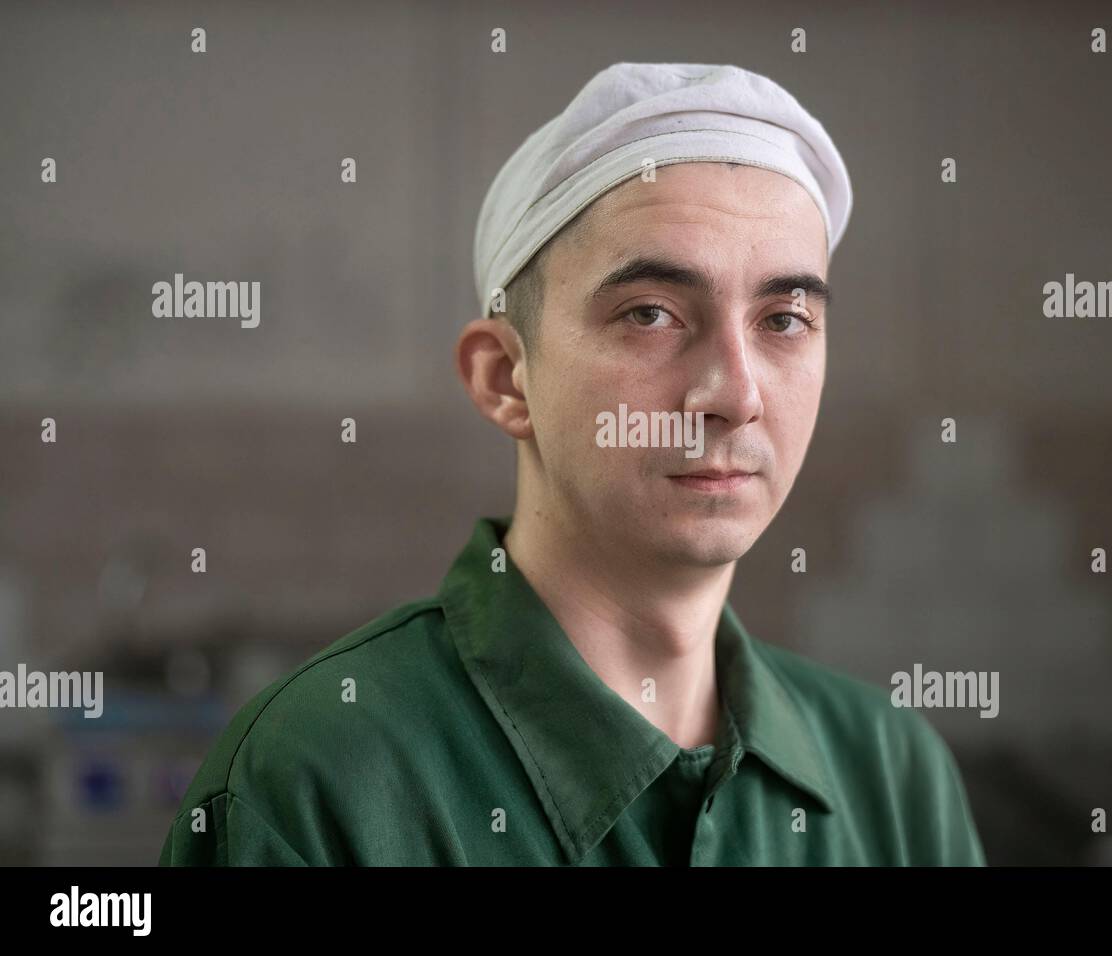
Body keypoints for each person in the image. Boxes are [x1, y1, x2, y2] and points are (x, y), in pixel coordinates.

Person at [159, 62, 986, 866]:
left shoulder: (890, 773)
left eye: (785, 319)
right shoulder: (317, 785)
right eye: (652, 313)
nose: (736, 394)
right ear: (505, 378)